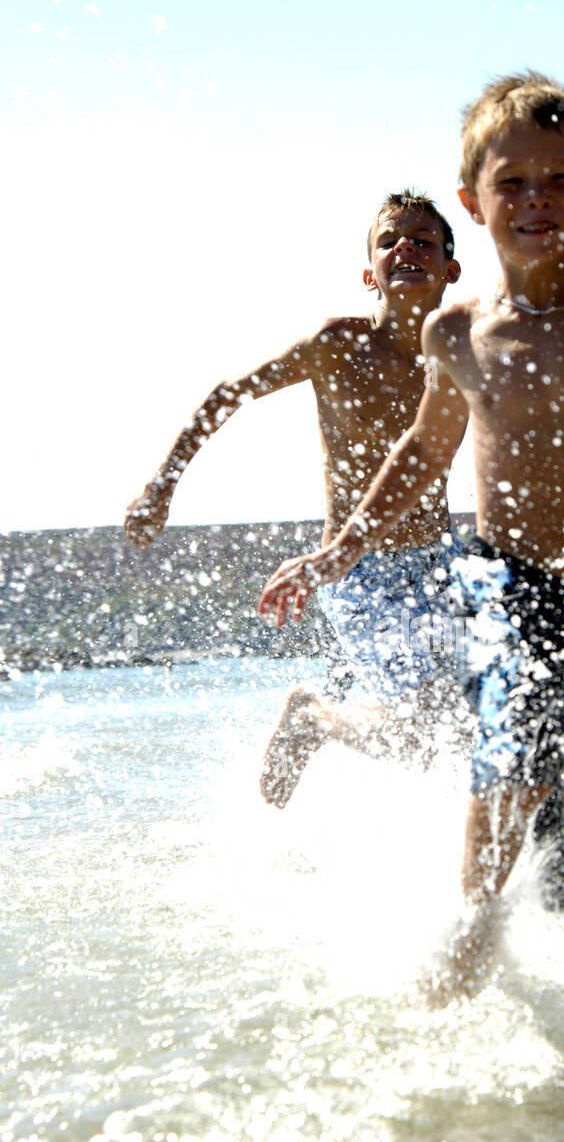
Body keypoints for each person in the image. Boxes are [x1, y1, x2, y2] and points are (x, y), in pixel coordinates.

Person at [259, 71, 564, 999]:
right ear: (473, 202)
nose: (536, 201)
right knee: (511, 750)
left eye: (560, 180)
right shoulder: (457, 331)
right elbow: (420, 450)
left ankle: (547, 1053)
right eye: (512, 184)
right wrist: (344, 545)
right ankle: (457, 953)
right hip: (506, 586)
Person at [124, 191, 466, 804]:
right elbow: (230, 392)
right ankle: (311, 718)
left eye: (422, 240)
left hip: (445, 564)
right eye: (389, 241)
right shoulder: (338, 345)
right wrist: (162, 483)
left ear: (450, 270)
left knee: (482, 724)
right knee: (427, 730)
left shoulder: (463, 354)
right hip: (359, 570)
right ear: (370, 275)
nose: (405, 247)